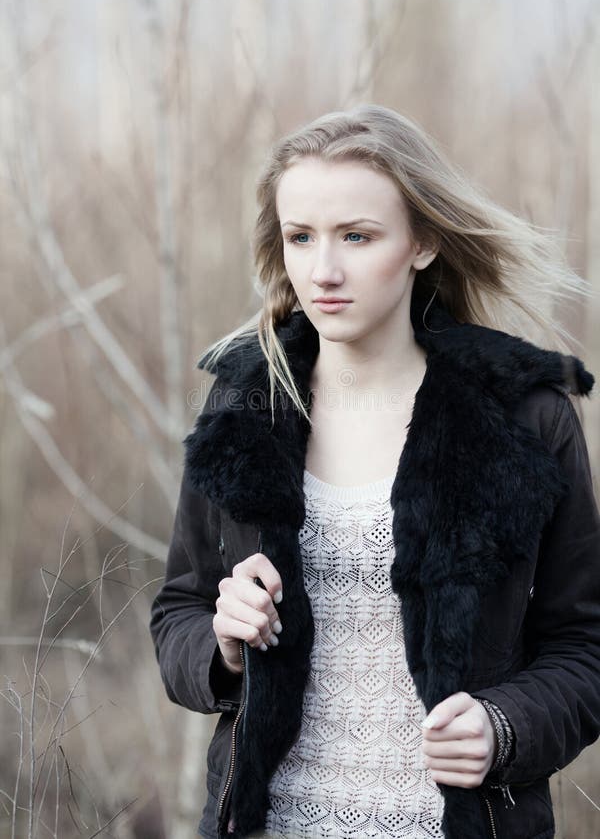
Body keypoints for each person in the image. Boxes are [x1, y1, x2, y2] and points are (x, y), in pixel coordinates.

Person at [149, 105, 600, 839]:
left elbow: (583, 647)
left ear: (423, 241)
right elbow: (178, 613)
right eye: (301, 237)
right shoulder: (245, 404)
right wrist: (222, 643)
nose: (323, 270)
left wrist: (504, 726)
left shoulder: (524, 416)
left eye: (357, 236)